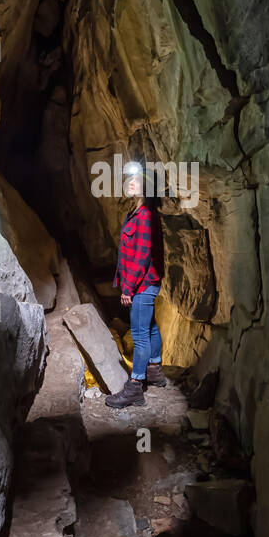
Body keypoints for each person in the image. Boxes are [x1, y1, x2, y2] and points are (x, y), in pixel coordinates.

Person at [106, 161, 165, 408]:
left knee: (139, 335)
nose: (130, 183)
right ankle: (155, 371)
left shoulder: (146, 216)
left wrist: (128, 288)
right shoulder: (138, 213)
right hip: (144, 284)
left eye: (137, 181)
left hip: (141, 285)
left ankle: (135, 388)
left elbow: (142, 256)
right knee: (150, 327)